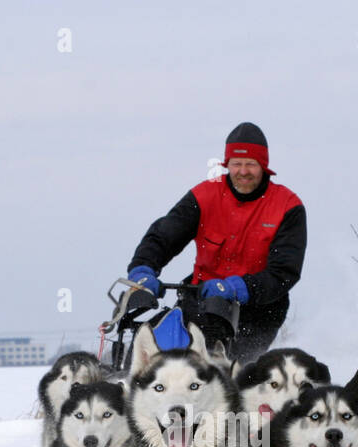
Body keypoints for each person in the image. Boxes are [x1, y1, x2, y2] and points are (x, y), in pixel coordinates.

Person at [126, 122, 306, 363]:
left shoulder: (288, 206)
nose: (243, 171)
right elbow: (164, 236)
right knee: (150, 346)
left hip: (258, 311)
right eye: (237, 164)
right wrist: (143, 269)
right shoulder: (204, 196)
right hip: (202, 299)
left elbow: (284, 272)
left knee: (225, 370)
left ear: (264, 166)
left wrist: (237, 288)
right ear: (227, 164)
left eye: (251, 164)